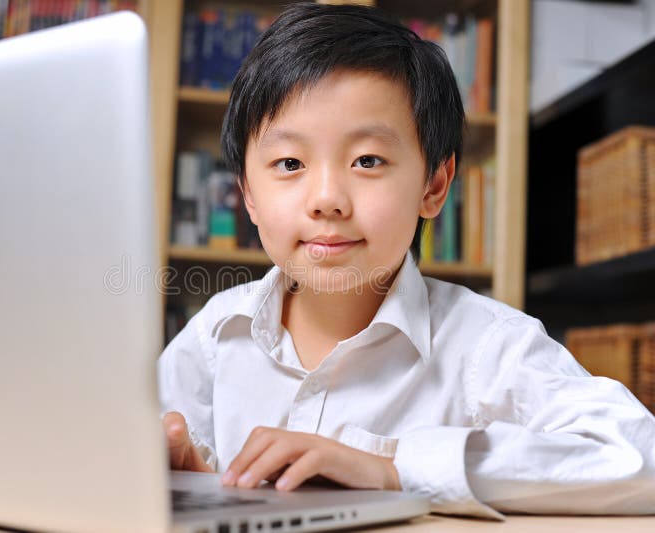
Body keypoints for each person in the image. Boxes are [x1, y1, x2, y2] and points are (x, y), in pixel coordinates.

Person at [157, 2, 655, 518]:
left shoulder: (486, 346)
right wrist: (188, 477)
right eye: (289, 163)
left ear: (433, 186)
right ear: (249, 197)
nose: (327, 198)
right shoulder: (215, 335)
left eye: (367, 160)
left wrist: (393, 470)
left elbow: (640, 458)